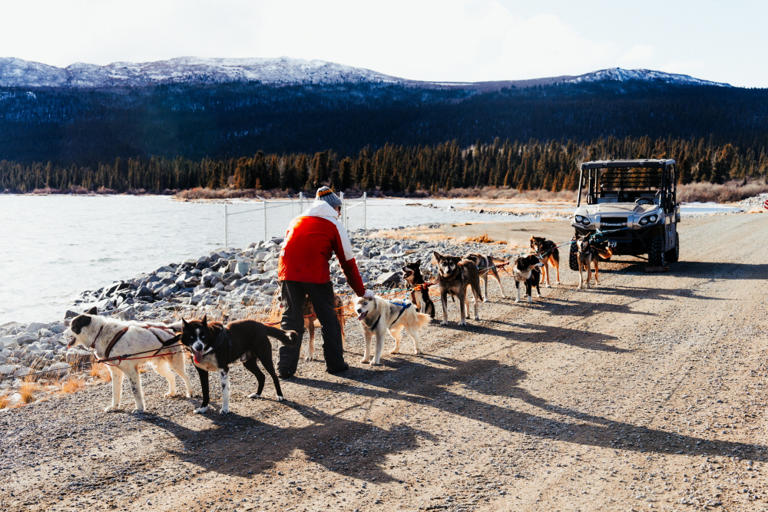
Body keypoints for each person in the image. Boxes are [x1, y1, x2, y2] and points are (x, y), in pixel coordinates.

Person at [277, 186, 374, 377]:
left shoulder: (297, 219)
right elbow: (348, 263)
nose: (340, 213)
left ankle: (285, 369)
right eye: (340, 210)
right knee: (329, 319)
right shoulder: (333, 224)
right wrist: (361, 292)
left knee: (291, 319)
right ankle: (335, 365)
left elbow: (286, 249)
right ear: (334, 208)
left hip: (287, 273)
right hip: (316, 276)